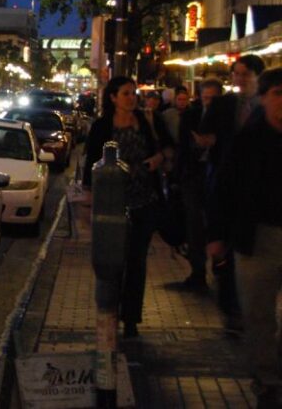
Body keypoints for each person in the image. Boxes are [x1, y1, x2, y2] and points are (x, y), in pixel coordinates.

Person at [206, 67, 282, 407]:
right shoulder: (248, 140)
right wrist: (217, 235)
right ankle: (267, 378)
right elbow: (224, 189)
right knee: (258, 312)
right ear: (263, 99)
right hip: (257, 237)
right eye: (277, 94)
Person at [84, 76, 174, 339]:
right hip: (112, 204)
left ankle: (131, 318)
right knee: (112, 261)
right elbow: (91, 163)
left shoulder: (146, 121)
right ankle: (109, 312)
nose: (131, 98)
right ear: (113, 97)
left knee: (137, 260)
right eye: (126, 93)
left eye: (133, 93)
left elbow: (167, 148)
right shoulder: (102, 126)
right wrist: (88, 199)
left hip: (144, 200)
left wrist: (158, 158)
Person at [198, 54, 266, 331]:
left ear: (257, 76)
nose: (239, 79)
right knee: (226, 247)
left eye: (245, 74)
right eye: (236, 74)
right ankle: (230, 305)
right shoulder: (224, 104)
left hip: (259, 189)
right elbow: (204, 134)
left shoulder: (267, 105)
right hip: (226, 181)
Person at [174, 79, 223, 290]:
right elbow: (182, 147)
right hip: (194, 175)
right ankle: (197, 272)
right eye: (205, 98)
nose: (208, 102)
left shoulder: (227, 118)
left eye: (213, 99)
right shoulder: (191, 116)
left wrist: (215, 143)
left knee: (217, 223)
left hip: (218, 176)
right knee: (194, 224)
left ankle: (220, 270)